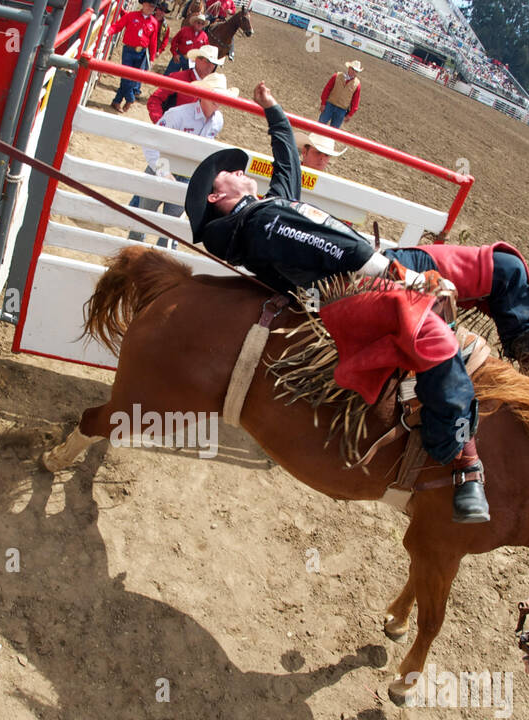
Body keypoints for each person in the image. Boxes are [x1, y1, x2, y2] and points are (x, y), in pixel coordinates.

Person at [185, 82, 490, 522]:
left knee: (472, 266)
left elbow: (287, 163)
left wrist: (273, 110)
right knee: (434, 336)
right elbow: (337, 249)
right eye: (227, 173)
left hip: (356, 272)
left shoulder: (264, 212)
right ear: (218, 197)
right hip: (345, 291)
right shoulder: (264, 222)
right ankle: (463, 460)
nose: (237, 169)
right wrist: (403, 276)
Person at [127, 73, 231, 247]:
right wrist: (163, 171)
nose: (218, 100)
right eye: (215, 94)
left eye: (222, 96)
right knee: (143, 219)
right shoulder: (178, 115)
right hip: (162, 170)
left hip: (188, 178)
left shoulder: (218, 121)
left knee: (171, 228)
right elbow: (152, 143)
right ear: (204, 93)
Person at [146, 42, 222, 123]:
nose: (210, 66)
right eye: (207, 61)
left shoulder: (214, 87)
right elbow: (155, 99)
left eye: (214, 63)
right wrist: (161, 123)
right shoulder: (178, 78)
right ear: (197, 60)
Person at [108, 0, 160, 113]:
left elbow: (153, 41)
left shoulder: (154, 23)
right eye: (149, 4)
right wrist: (109, 31)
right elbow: (118, 26)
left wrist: (151, 58)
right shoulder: (131, 16)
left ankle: (117, 101)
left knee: (132, 78)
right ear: (143, 4)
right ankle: (130, 99)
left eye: (153, 6)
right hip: (129, 50)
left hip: (141, 53)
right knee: (126, 76)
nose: (151, 8)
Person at [319, 61, 363, 129]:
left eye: (356, 71)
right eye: (353, 69)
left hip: (342, 111)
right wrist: (323, 103)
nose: (354, 72)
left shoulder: (357, 85)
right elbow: (327, 89)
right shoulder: (336, 76)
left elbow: (355, 101)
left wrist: (350, 115)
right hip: (329, 105)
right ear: (349, 68)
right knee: (319, 126)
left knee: (333, 133)